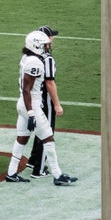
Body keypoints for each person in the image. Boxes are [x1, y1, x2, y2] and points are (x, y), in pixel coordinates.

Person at [3, 29, 77, 185]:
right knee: (48, 138)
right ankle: (58, 176)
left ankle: (11, 172)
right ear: (36, 45)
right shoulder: (35, 62)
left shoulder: (26, 57)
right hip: (31, 104)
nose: (46, 47)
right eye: (43, 45)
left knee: (22, 138)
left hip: (23, 103)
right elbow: (26, 89)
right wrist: (31, 114)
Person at [26, 25, 63, 177]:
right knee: (47, 132)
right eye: (50, 37)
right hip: (44, 98)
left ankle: (33, 159)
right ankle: (39, 169)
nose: (52, 39)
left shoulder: (30, 56)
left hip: (34, 97)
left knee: (40, 130)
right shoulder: (47, 59)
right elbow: (49, 83)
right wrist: (57, 104)